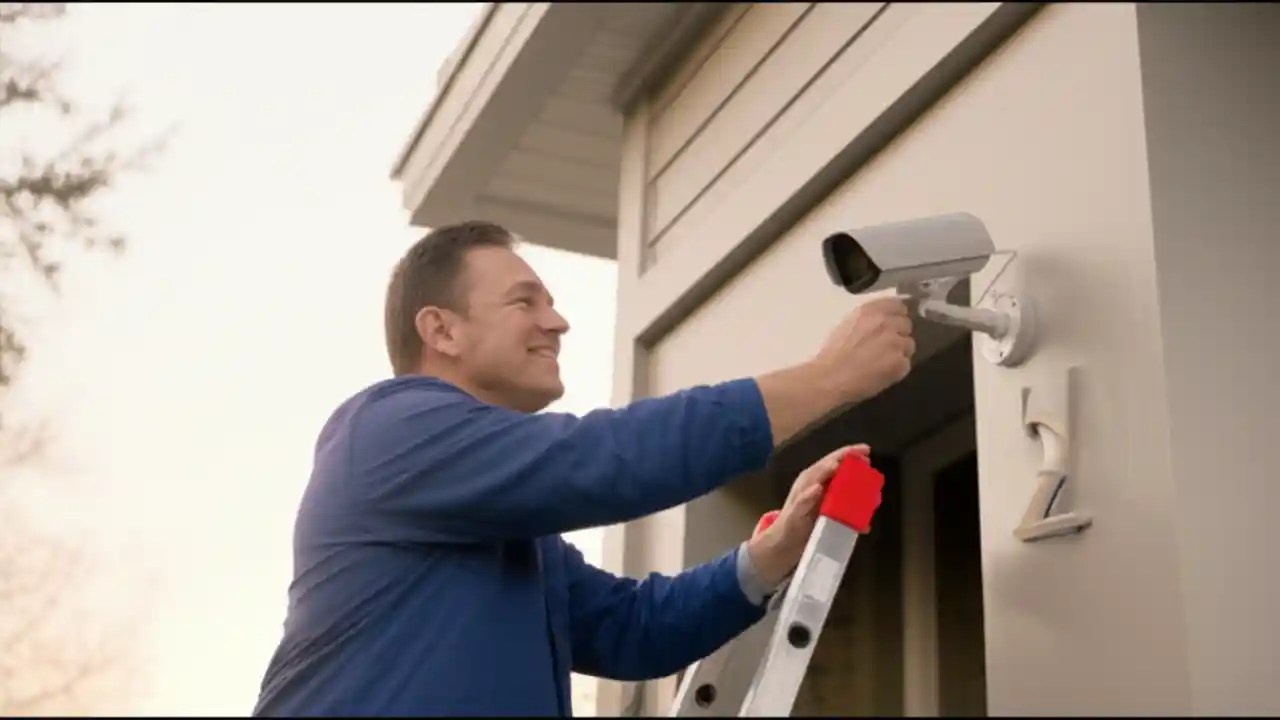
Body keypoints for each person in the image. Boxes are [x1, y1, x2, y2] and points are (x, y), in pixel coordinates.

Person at [253, 221, 915, 717]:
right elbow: (601, 460)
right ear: (442, 331)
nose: (558, 321)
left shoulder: (513, 534)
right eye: (525, 303)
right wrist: (829, 378)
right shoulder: (386, 432)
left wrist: (766, 556)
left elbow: (632, 630)